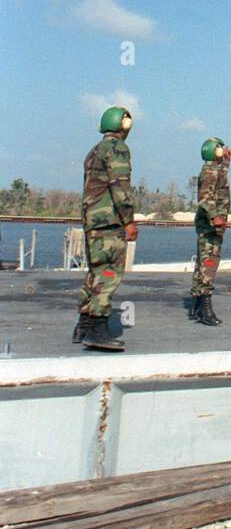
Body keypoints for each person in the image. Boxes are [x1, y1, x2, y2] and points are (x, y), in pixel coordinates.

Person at [73, 106, 137, 352]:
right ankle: (98, 330)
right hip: (109, 223)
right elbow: (120, 187)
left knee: (94, 273)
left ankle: (84, 325)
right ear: (124, 125)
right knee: (108, 274)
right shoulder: (117, 148)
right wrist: (129, 221)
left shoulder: (94, 150)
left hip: (92, 222)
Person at [189, 137, 231, 326]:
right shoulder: (208, 171)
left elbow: (220, 181)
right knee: (208, 262)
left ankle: (197, 305)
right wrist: (215, 217)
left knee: (203, 262)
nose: (222, 149)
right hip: (210, 225)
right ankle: (205, 306)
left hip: (212, 224)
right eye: (219, 147)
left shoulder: (215, 169)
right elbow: (205, 198)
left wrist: (226, 162)